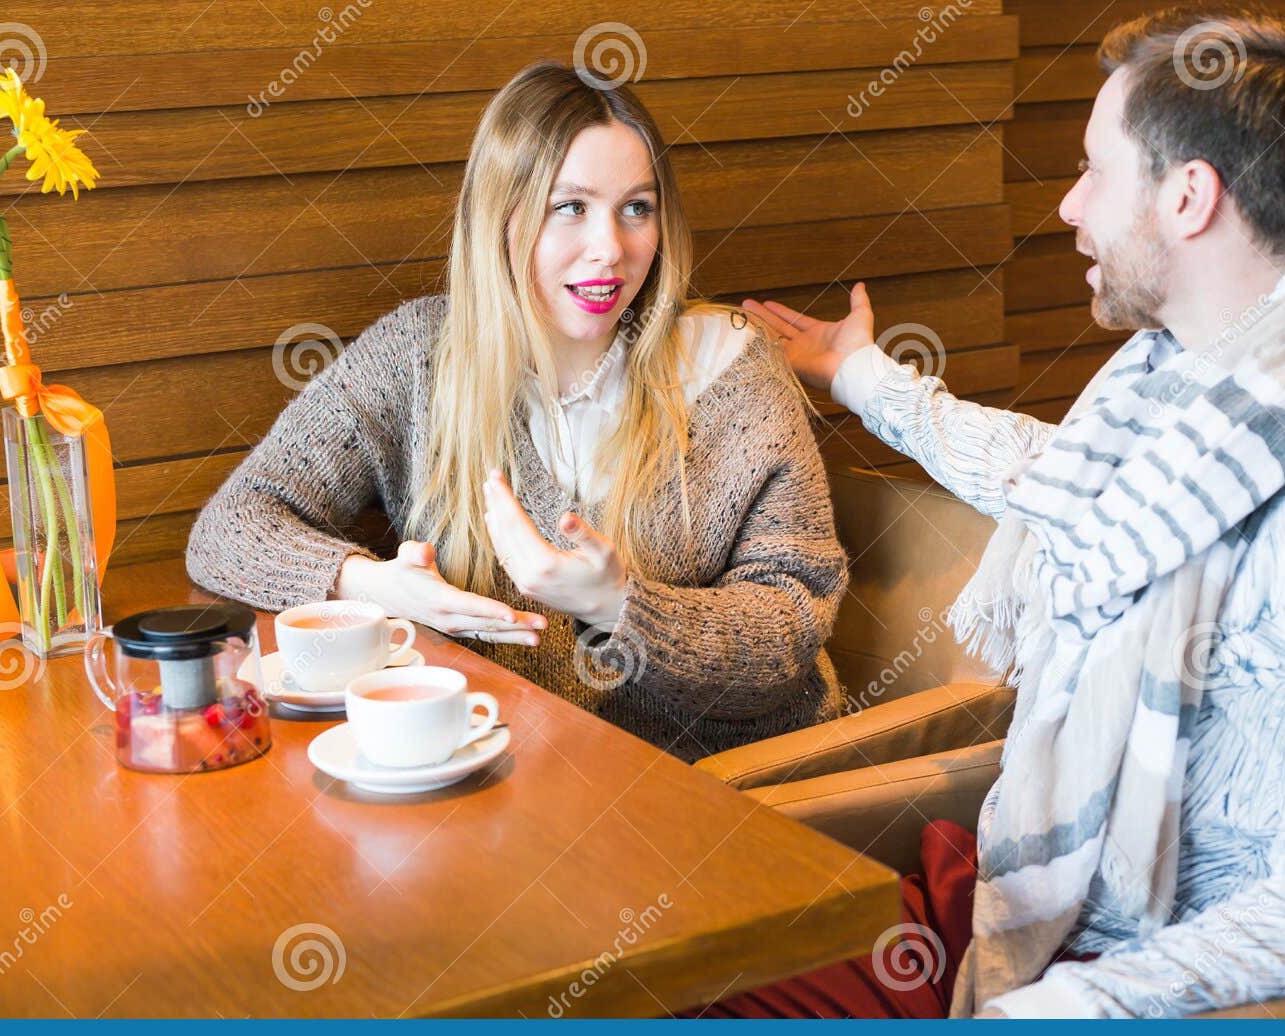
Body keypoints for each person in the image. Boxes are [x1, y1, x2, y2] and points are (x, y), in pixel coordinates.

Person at [716, 5, 1285, 1017]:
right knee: (684, 971)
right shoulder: (1207, 380)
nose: (1068, 205)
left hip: (1130, 974)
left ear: (1188, 196)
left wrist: (1041, 1020)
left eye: (1094, 170)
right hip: (1035, 907)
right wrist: (863, 376)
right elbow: (1055, 479)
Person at [186, 61, 847, 761]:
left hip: (725, 781)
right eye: (570, 207)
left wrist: (618, 605)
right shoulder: (418, 356)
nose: (611, 249)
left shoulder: (730, 366)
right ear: (501, 215)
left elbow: (792, 628)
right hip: (506, 778)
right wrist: (379, 588)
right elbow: (230, 527)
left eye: (637, 208)